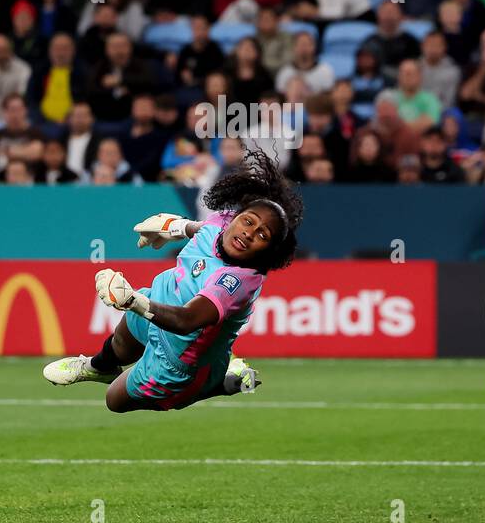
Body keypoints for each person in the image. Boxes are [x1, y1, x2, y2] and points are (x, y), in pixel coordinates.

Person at [43, 149, 304, 412]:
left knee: (114, 401)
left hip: (179, 356)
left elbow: (186, 321)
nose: (249, 233)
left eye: (262, 235)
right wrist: (173, 227)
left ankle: (219, 383)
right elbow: (201, 228)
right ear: (235, 217)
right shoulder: (223, 223)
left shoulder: (236, 281)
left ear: (268, 251)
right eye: (248, 221)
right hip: (160, 299)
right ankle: (98, 367)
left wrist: (134, 301)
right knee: (122, 341)